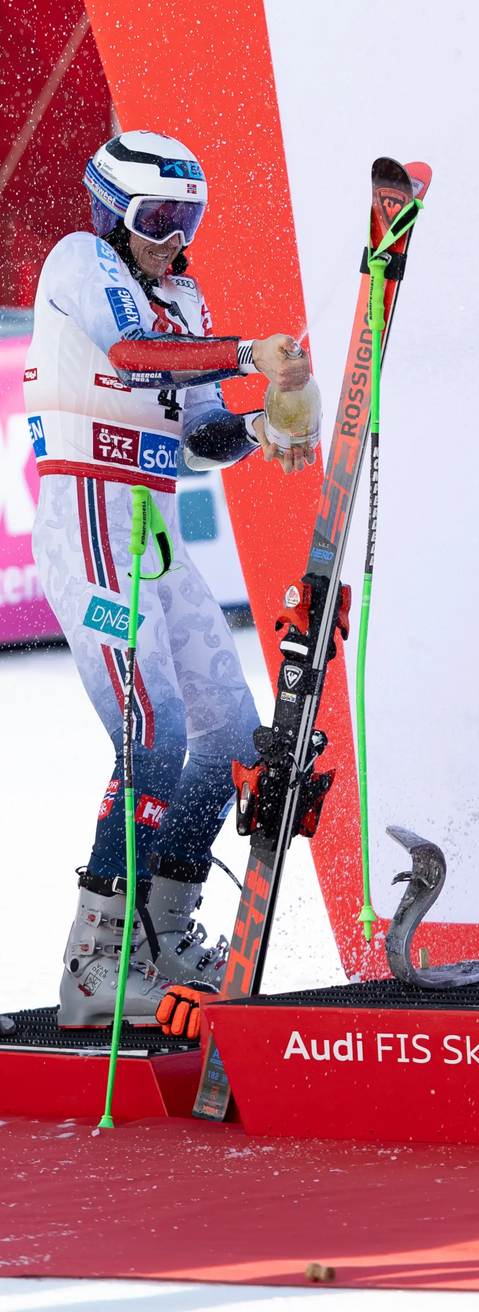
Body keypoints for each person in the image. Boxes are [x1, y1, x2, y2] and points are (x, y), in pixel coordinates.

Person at [25, 130, 314, 1029]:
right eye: (156, 217)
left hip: (148, 525)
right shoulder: (82, 259)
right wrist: (247, 355)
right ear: (113, 213)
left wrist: (260, 427)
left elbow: (195, 433)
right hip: (90, 513)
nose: (172, 235)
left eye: (187, 218)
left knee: (230, 729)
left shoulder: (180, 295)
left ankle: (161, 928)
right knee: (149, 732)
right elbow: (132, 353)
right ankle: (95, 961)